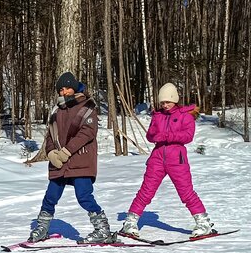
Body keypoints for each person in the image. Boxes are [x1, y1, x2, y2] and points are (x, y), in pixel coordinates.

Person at [118, 83, 215, 239]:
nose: (165, 105)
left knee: (186, 192)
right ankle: (130, 221)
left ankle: (203, 222)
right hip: (157, 158)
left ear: (175, 100)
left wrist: (168, 136)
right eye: (162, 102)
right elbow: (150, 136)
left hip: (177, 159)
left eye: (167, 101)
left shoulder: (186, 115)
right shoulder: (158, 115)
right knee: (146, 190)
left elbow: (188, 137)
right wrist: (155, 134)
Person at [28, 72, 113, 244]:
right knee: (50, 196)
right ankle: (42, 227)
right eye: (61, 89)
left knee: (84, 196)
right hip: (59, 163)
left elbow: (87, 133)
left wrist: (67, 151)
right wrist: (51, 153)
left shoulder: (87, 107)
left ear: (74, 88)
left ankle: (102, 230)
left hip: (80, 160)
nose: (64, 92)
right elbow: (50, 136)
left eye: (67, 88)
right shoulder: (55, 111)